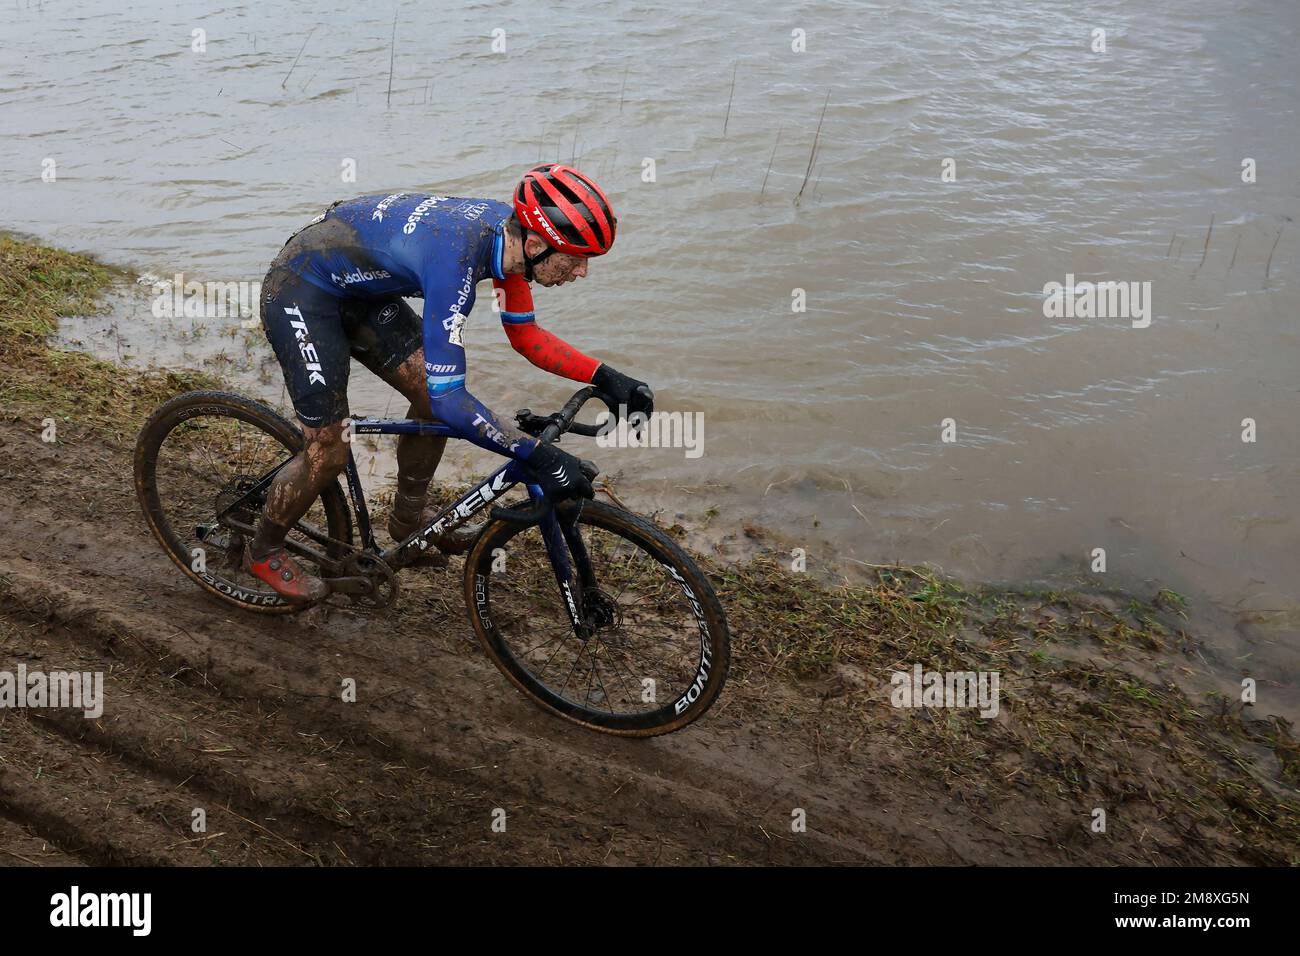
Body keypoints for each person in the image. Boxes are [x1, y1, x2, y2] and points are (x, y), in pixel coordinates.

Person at [247, 164, 653, 601]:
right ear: (536, 244)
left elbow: (525, 336)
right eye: (575, 259)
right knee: (329, 449)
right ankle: (263, 549)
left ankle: (408, 520)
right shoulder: (455, 257)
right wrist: (537, 455)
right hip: (302, 290)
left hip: (357, 288)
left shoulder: (509, 240)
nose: (580, 273)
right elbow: (451, 402)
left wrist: (603, 376)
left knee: (426, 391)